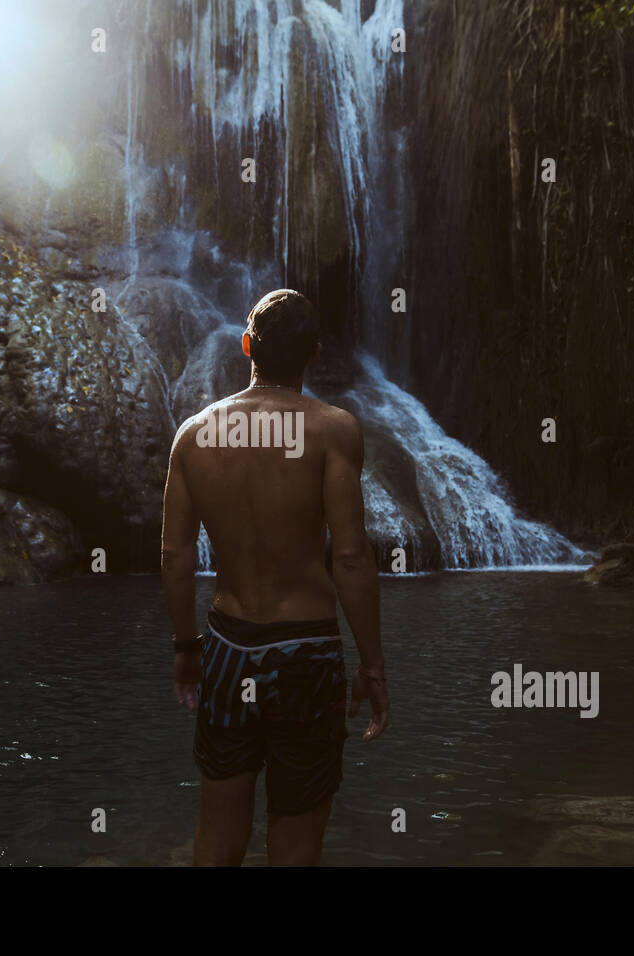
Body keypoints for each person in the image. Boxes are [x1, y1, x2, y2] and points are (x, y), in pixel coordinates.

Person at [160, 288, 389, 866]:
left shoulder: (194, 435)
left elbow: (175, 555)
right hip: (305, 651)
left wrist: (187, 648)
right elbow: (353, 557)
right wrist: (372, 665)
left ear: (246, 346)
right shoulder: (334, 430)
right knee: (295, 839)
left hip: (229, 645)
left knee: (217, 835)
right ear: (313, 353)